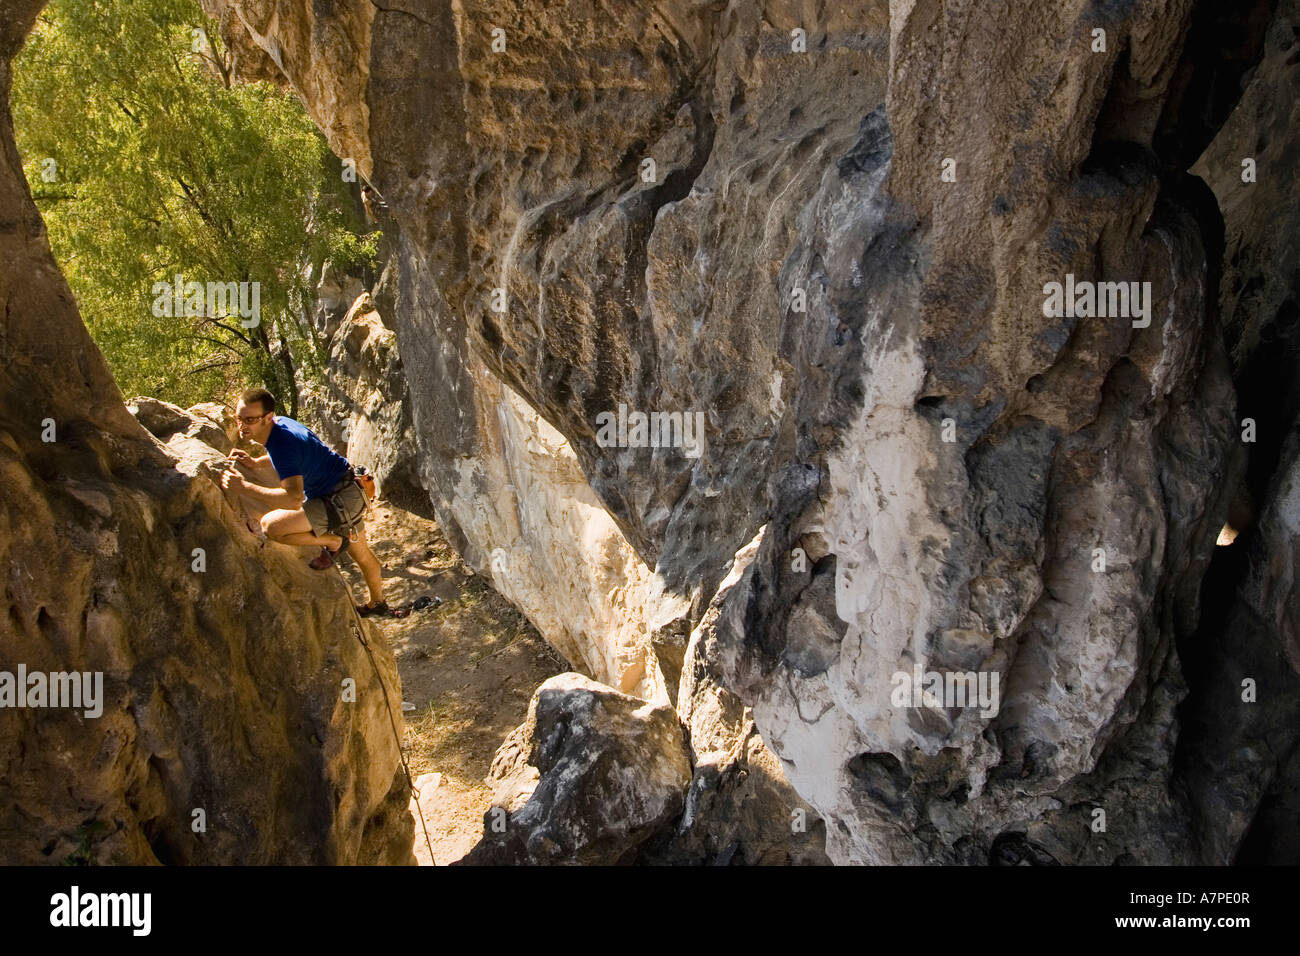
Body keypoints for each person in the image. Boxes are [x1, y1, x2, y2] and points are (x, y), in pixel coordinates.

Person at [219, 387, 389, 616]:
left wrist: (245, 488)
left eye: (249, 419)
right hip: (349, 488)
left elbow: (294, 497)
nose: (242, 425)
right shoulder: (280, 425)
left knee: (271, 526)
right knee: (363, 556)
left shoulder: (282, 444)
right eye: (238, 417)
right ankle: (378, 603)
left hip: (337, 501)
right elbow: (290, 458)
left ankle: (334, 542)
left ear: (267, 418)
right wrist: (256, 463)